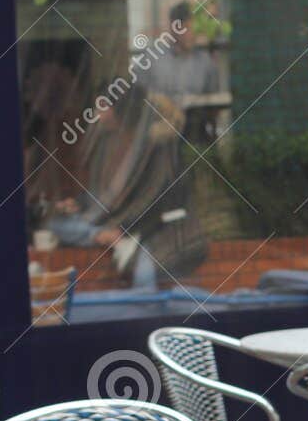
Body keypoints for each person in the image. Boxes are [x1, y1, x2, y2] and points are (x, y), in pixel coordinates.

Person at [45, 83, 207, 288]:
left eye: (102, 107)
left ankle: (118, 241)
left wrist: (123, 228)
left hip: (154, 227)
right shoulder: (108, 144)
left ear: (120, 110)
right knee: (56, 224)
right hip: (118, 224)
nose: (96, 114)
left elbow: (157, 199)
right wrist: (78, 203)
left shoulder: (155, 147)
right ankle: (104, 237)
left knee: (144, 277)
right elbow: (107, 194)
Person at [142, 2, 222, 144]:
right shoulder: (152, 59)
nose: (193, 34)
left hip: (195, 132)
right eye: (187, 28)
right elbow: (139, 96)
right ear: (174, 28)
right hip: (160, 133)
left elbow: (214, 108)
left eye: (194, 28)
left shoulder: (206, 63)